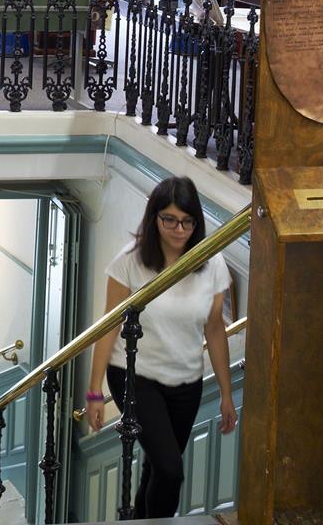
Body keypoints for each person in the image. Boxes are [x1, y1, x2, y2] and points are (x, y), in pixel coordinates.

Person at [83, 176, 237, 518]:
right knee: (171, 471)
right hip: (134, 376)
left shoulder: (212, 264)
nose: (178, 229)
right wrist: (94, 392)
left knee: (158, 468)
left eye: (186, 221)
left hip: (186, 380)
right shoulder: (131, 261)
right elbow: (108, 326)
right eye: (169, 219)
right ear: (154, 218)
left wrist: (226, 392)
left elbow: (214, 329)